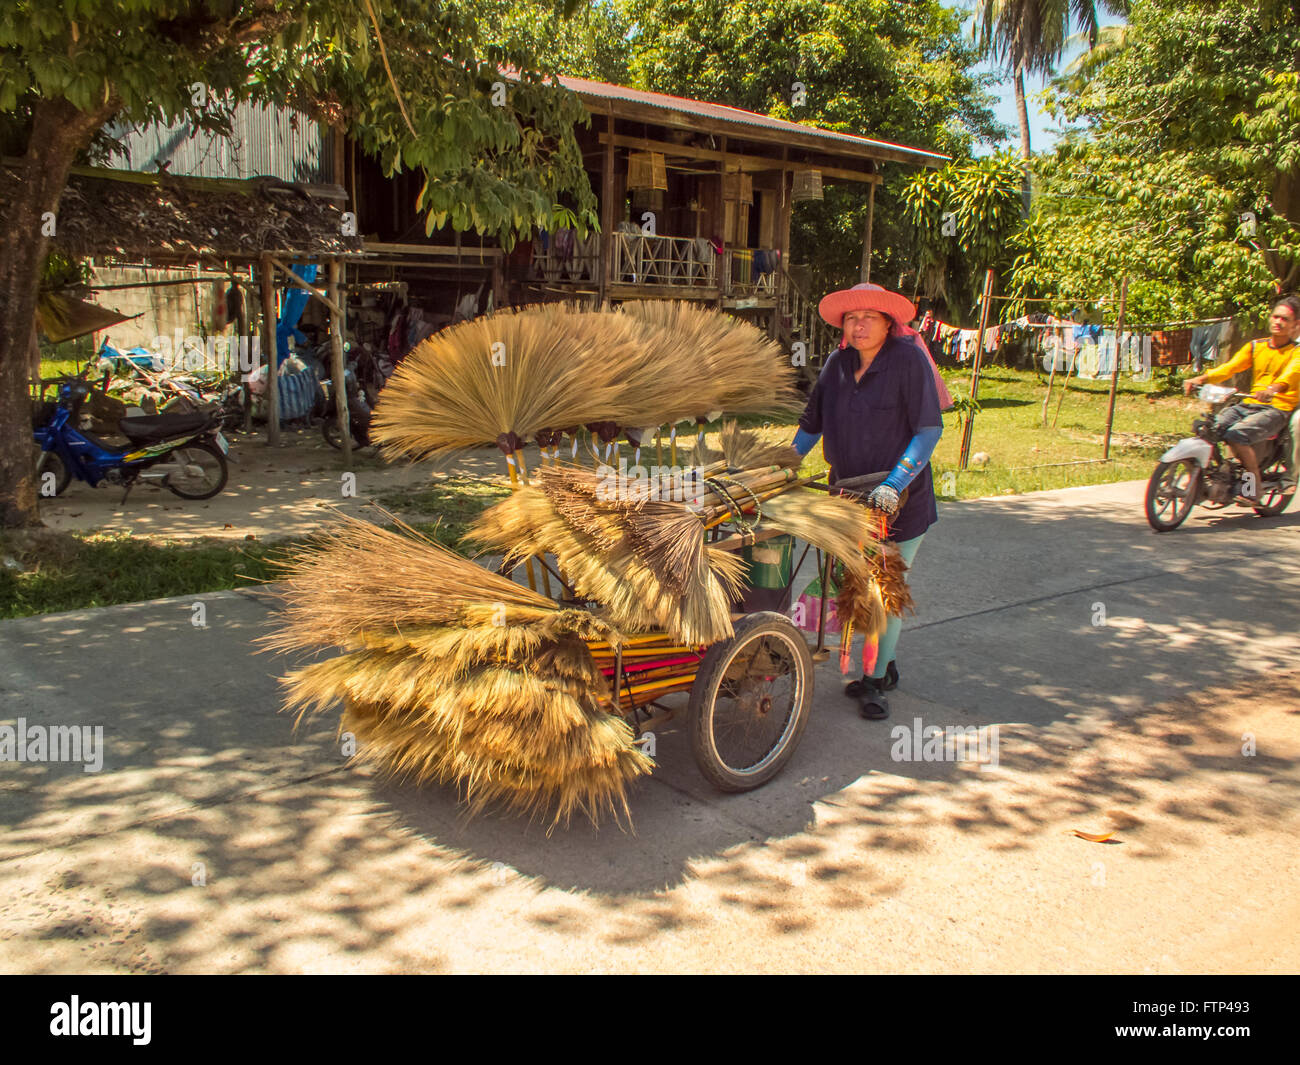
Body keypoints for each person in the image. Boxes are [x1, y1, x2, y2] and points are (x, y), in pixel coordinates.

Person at [792, 283, 944, 721]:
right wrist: (783, 465)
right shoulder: (837, 366)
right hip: (848, 499)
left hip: (900, 501)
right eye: (851, 319)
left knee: (882, 591)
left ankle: (875, 682)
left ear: (888, 324)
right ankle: (887, 662)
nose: (859, 326)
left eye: (869, 318)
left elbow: (928, 431)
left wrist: (896, 481)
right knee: (857, 586)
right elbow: (810, 425)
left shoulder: (908, 362)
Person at [1184, 296, 1300, 502]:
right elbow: (1230, 368)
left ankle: (1252, 487)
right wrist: (1200, 378)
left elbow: (1290, 376)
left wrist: (1272, 389)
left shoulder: (1296, 352)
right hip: (1249, 404)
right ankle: (1203, 479)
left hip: (1277, 409)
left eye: (1284, 319)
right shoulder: (1256, 346)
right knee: (1208, 429)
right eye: (1275, 317)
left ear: (1295, 325)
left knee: (1237, 436)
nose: (1277, 322)